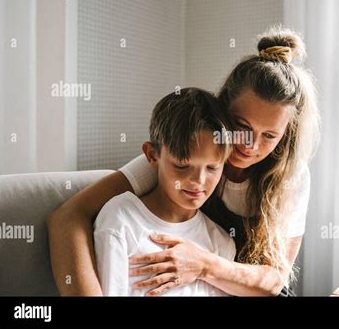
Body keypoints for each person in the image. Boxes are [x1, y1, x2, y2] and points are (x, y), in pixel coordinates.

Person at [47, 26, 321, 296]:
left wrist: (203, 265)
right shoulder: (184, 156)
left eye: (270, 135)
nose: (251, 146)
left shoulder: (291, 176)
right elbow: (67, 218)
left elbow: (274, 280)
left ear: (286, 135)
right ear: (223, 110)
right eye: (242, 126)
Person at [94, 88, 236, 296]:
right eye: (182, 166)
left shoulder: (221, 242)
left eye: (212, 168)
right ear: (152, 155)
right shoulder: (121, 220)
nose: (199, 181)